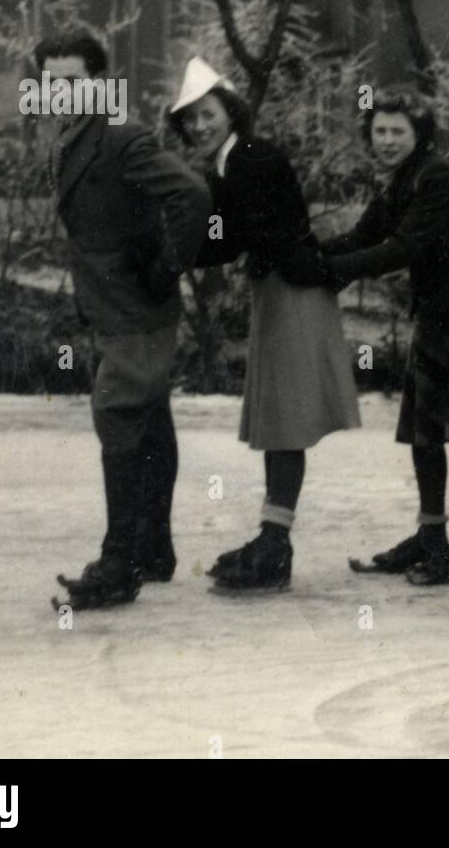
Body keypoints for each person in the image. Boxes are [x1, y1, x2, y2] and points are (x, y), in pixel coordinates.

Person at [318, 88, 449, 585]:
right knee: (424, 429)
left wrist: (329, 271)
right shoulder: (399, 180)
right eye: (380, 132)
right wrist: (302, 255)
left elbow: (402, 247)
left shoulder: (435, 177)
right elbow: (362, 237)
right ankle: (431, 535)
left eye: (397, 132)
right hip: (437, 310)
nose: (387, 140)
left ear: (418, 136)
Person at [168, 57, 361, 591]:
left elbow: (235, 235)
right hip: (281, 289)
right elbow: (236, 234)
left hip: (294, 291)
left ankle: (276, 545)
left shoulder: (251, 158)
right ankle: (273, 539)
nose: (199, 127)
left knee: (286, 421)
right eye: (190, 121)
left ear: (229, 111)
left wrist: (172, 253)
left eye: (206, 115)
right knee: (281, 421)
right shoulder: (232, 162)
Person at [44, 32, 211, 611]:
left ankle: (118, 563)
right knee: (148, 416)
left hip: (137, 308)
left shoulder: (122, 138)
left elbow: (191, 194)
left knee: (118, 412)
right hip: (112, 307)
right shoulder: (73, 138)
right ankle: (152, 547)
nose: (59, 92)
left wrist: (167, 269)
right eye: (49, 82)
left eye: (72, 81)